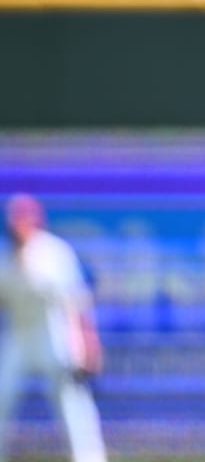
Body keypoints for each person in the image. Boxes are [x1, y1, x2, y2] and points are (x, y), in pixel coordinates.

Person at [0, 194, 108, 462]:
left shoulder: (55, 253)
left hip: (55, 336)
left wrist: (88, 345)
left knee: (72, 402)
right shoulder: (4, 257)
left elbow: (78, 302)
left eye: (24, 218)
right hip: (18, 335)